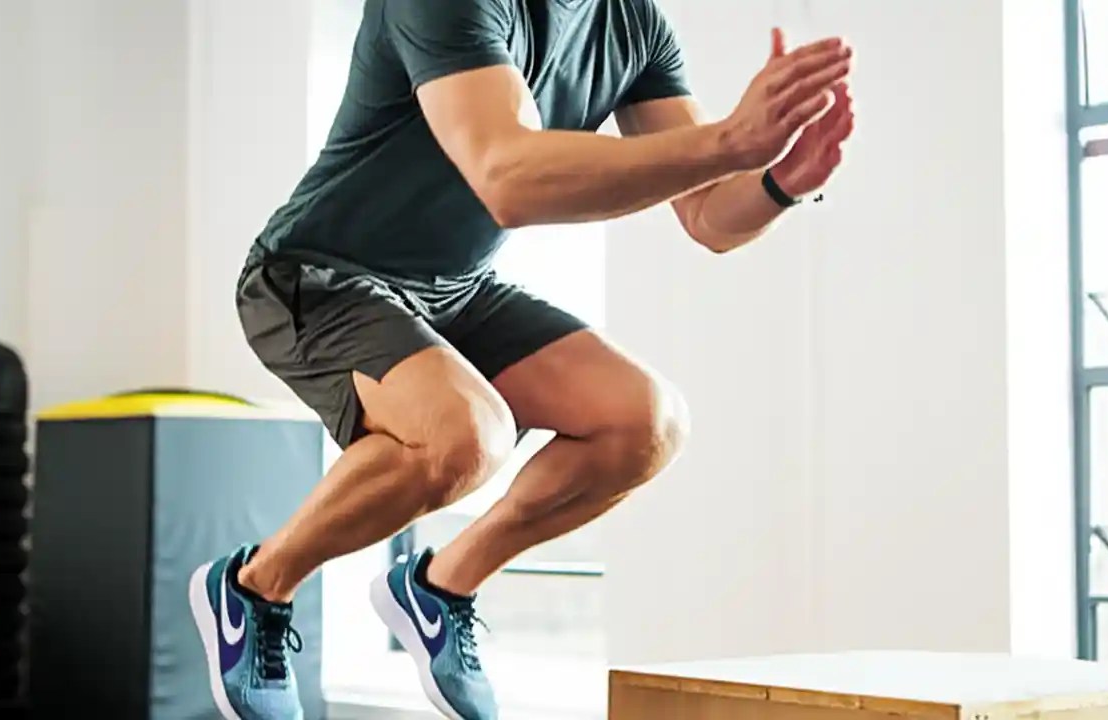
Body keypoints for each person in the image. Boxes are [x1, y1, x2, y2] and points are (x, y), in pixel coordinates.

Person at [189, 0, 855, 717]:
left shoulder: (633, 25)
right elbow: (504, 174)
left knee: (645, 422)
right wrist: (729, 141)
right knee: (467, 436)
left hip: (455, 288)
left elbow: (710, 217)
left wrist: (780, 179)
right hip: (317, 272)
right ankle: (254, 589)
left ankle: (440, 587)